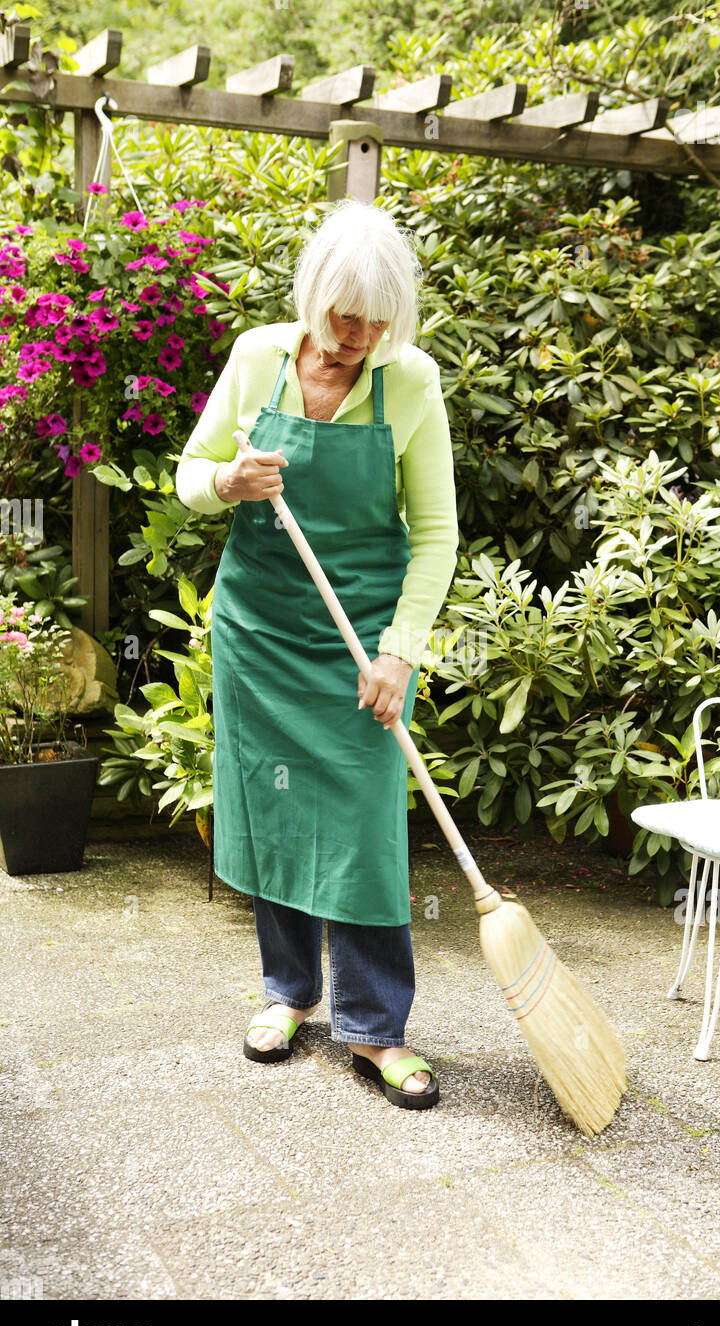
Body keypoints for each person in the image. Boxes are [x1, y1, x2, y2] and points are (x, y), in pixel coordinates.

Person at [176, 199, 459, 1109]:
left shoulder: (410, 382)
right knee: (278, 805)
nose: (359, 339)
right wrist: (227, 481)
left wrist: (400, 654)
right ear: (314, 297)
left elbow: (437, 536)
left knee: (368, 827)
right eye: (345, 318)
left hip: (363, 641)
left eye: (378, 323)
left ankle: (376, 1029)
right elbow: (190, 475)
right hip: (261, 630)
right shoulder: (260, 356)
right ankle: (288, 993)